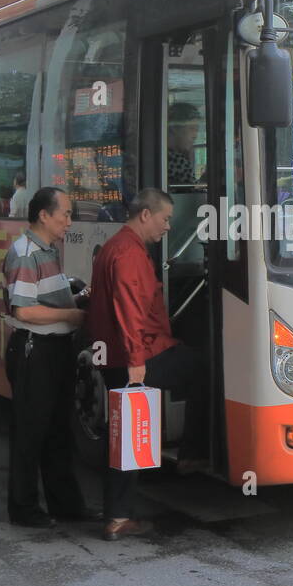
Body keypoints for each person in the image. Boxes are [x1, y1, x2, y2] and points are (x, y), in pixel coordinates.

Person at [88, 188, 209, 541]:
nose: (168, 226)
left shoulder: (119, 246)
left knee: (125, 435)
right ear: (145, 215)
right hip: (137, 355)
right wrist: (136, 361)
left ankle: (118, 514)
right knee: (203, 369)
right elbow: (129, 311)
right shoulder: (128, 253)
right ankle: (192, 455)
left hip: (125, 354)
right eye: (165, 218)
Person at [2, 187, 93, 527]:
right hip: (33, 350)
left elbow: (45, 300)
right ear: (43, 215)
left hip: (53, 349)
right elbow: (24, 312)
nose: (69, 221)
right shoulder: (25, 253)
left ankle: (65, 505)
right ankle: (23, 510)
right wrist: (71, 316)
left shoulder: (47, 250)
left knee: (58, 431)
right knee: (31, 433)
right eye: (65, 214)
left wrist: (76, 298)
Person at [167, 104, 202, 186]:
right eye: (192, 128)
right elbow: (195, 192)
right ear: (174, 128)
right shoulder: (178, 162)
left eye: (197, 130)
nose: (195, 135)